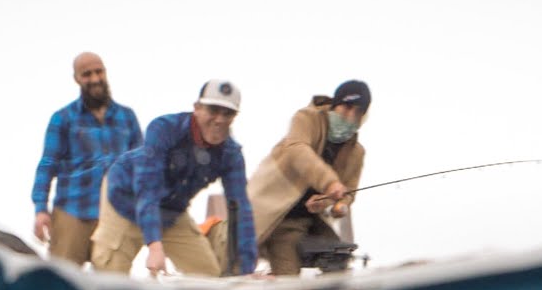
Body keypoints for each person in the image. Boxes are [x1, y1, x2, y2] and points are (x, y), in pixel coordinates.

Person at [90, 79, 257, 277]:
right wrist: (154, 246)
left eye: (228, 113)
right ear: (197, 108)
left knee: (209, 275)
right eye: (213, 110)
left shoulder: (231, 154)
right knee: (110, 277)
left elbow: (241, 208)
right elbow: (147, 188)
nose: (219, 120)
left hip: (171, 211)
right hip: (126, 199)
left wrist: (247, 269)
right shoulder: (164, 129)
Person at [31, 52, 143, 266]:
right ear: (77, 79)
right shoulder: (63, 118)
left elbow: (141, 166)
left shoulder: (126, 117)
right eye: (86, 74)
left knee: (112, 288)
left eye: (98, 72)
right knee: (62, 285)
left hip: (115, 215)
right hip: (72, 212)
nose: (94, 79)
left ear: (105, 73)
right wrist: (40, 210)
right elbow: (47, 165)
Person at [247, 80, 370, 275]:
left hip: (311, 221)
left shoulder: (357, 152)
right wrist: (330, 183)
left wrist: (333, 203)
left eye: (358, 113)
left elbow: (348, 192)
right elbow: (298, 150)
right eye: (347, 108)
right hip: (278, 217)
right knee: (287, 274)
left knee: (338, 257)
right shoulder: (306, 118)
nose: (350, 117)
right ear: (334, 104)